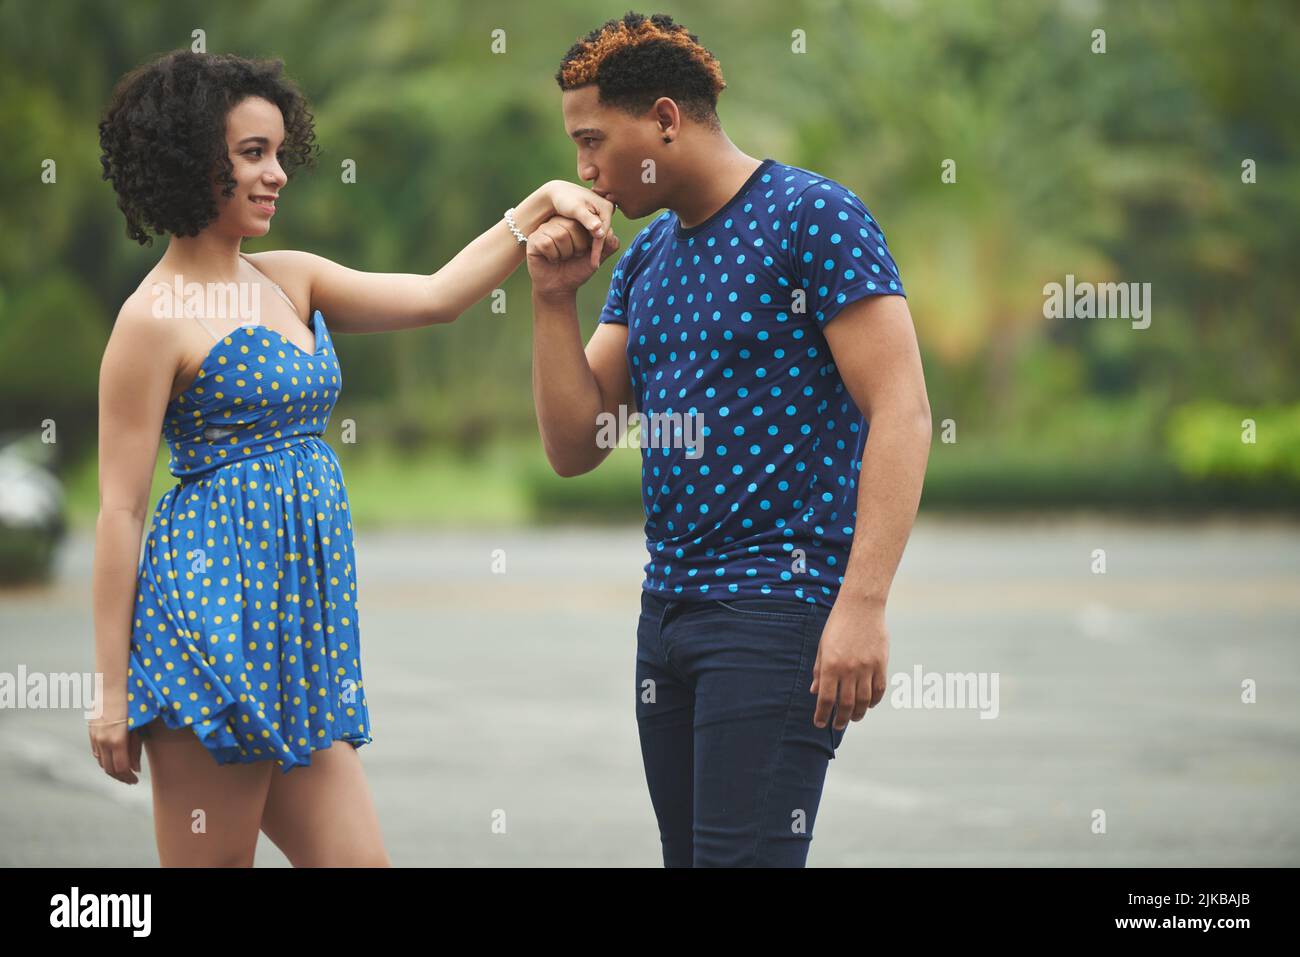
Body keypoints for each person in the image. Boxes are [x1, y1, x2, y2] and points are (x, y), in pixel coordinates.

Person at [90, 49, 615, 866]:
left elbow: (439, 296)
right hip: (208, 634)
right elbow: (120, 510)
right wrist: (111, 695)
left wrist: (540, 203)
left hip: (298, 640)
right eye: (251, 154)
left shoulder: (291, 278)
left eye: (276, 152)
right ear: (193, 161)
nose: (276, 175)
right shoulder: (151, 319)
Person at [526, 12, 931, 866]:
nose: (583, 170)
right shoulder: (645, 259)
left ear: (666, 120)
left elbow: (902, 408)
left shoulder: (812, 217)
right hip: (667, 615)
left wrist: (862, 604)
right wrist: (553, 299)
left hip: (778, 609)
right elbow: (575, 444)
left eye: (594, 139)